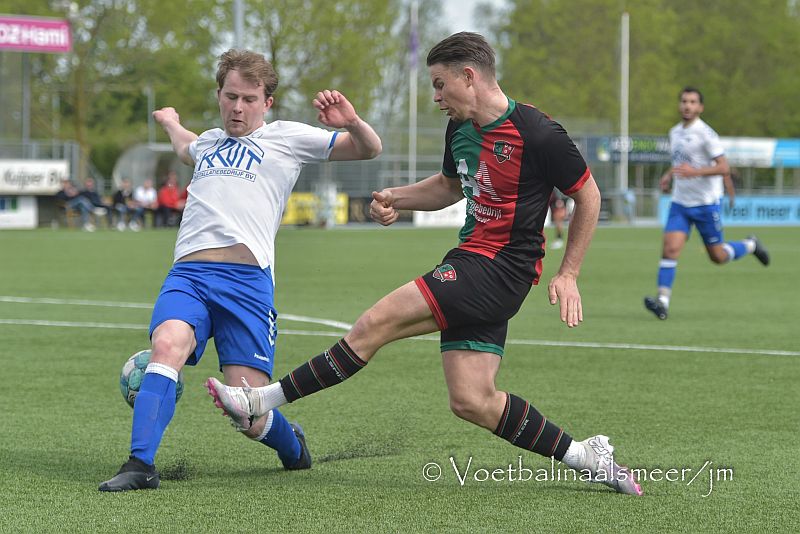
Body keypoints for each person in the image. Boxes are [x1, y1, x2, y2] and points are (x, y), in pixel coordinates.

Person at [208, 33, 642, 496]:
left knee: (375, 323)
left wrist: (569, 272)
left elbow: (588, 194)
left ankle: (259, 400)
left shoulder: (537, 132)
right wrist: (397, 197)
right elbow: (449, 188)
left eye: (439, 85)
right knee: (472, 400)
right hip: (473, 261)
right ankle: (585, 455)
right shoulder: (460, 128)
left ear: (468, 77)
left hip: (498, 269)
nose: (436, 97)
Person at [98, 49, 381, 492]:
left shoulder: (287, 138)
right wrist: (170, 120)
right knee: (167, 344)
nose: (238, 107)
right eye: (230, 96)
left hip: (247, 286)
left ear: (267, 103)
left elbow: (368, 149)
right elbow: (182, 144)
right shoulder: (208, 142)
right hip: (188, 277)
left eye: (249, 99)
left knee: (246, 410)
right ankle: (140, 465)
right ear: (219, 94)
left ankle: (294, 449)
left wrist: (351, 122)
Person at [644, 87, 769, 320]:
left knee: (718, 256)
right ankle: (662, 301)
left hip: (705, 204)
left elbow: (724, 167)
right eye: (683, 101)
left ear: (700, 107)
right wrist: (669, 174)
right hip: (680, 203)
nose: (687, 106)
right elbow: (681, 160)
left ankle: (751, 245)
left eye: (692, 102)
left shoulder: (706, 134)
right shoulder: (675, 132)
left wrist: (695, 173)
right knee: (670, 249)